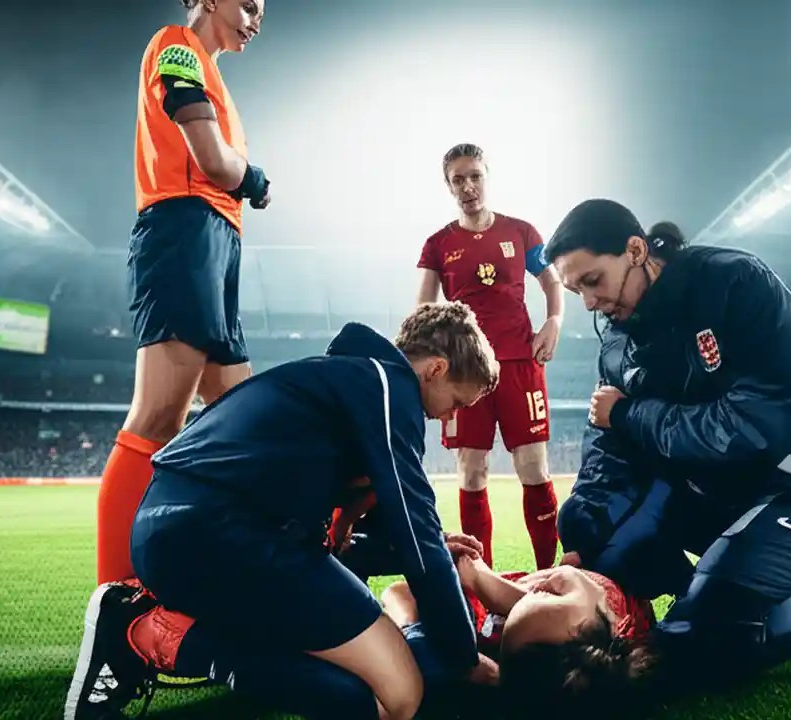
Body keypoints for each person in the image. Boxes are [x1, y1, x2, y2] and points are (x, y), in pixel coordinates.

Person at [66, 303, 498, 720]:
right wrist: (463, 656)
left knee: (364, 685)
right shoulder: (391, 388)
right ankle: (146, 632)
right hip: (226, 535)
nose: (449, 419)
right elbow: (415, 530)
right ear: (436, 369)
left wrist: (431, 548)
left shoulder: (346, 378)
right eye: (457, 403)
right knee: (400, 698)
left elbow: (385, 530)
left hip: (186, 535)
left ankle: (180, 631)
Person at [544, 199, 791, 693]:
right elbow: (611, 451)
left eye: (593, 280)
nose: (588, 302)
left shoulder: (736, 284)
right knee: (600, 543)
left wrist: (629, 413)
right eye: (575, 289)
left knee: (720, 630)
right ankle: (721, 580)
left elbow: (765, 424)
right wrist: (582, 540)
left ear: (636, 249)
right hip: (729, 491)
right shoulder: (619, 342)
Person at [96, 0, 272, 587]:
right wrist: (254, 179)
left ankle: (237, 574)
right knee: (157, 418)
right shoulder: (176, 44)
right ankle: (116, 601)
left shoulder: (213, 73)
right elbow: (213, 161)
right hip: (183, 232)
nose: (257, 17)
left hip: (215, 241)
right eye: (248, 4)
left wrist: (241, 180)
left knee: (244, 426)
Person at [416, 143, 565, 570]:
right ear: (448, 186)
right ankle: (480, 585)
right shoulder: (438, 244)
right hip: (463, 374)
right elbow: (422, 311)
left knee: (533, 467)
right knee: (472, 471)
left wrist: (553, 321)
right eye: (458, 179)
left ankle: (545, 575)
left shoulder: (521, 233)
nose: (468, 186)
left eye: (475, 176)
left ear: (487, 176)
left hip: (520, 363)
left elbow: (552, 282)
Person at [381, 556, 656, 720]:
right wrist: (494, 586)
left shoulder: (480, 634)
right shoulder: (616, 625)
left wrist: (483, 583)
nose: (568, 579)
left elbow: (397, 594)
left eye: (546, 593)